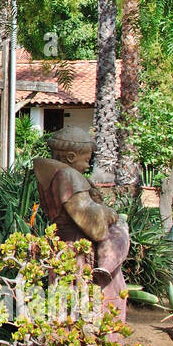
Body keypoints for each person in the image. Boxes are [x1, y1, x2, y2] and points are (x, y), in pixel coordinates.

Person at [33, 126, 130, 323]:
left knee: (66, 302)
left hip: (62, 245)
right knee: (80, 303)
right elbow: (93, 225)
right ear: (70, 157)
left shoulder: (51, 176)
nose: (88, 165)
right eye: (86, 159)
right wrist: (109, 214)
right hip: (77, 248)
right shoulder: (67, 177)